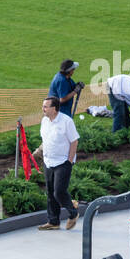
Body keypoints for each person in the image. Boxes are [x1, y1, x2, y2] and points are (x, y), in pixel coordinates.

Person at [38, 97, 80, 231]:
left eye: (46, 106)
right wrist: (38, 151)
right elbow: (46, 139)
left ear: (54, 109)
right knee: (50, 193)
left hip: (63, 162)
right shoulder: (45, 121)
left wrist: (69, 161)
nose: (43, 109)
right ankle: (53, 221)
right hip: (48, 161)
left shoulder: (66, 121)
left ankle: (73, 213)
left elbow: (74, 141)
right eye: (43, 106)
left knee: (59, 192)